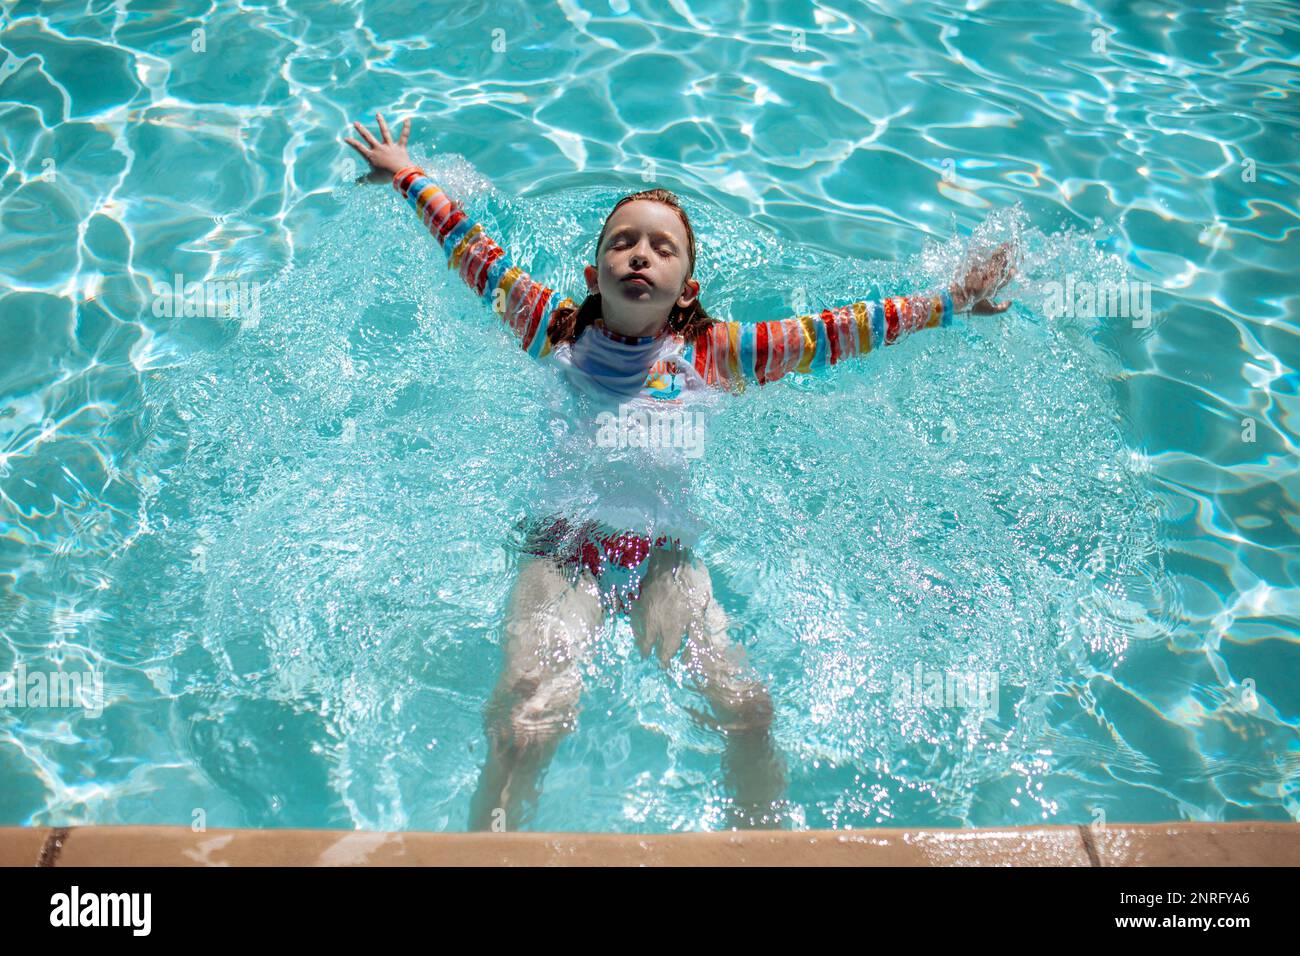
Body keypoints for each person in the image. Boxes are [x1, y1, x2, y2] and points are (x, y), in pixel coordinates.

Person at [345, 114, 1017, 831]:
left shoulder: (717, 356)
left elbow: (839, 331)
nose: (640, 256)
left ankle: (756, 845)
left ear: (686, 288)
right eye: (622, 243)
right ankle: (488, 843)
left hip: (665, 559)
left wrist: (950, 300)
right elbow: (474, 251)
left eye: (660, 249)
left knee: (747, 710)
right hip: (563, 551)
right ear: (592, 273)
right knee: (527, 712)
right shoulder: (551, 325)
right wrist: (407, 173)